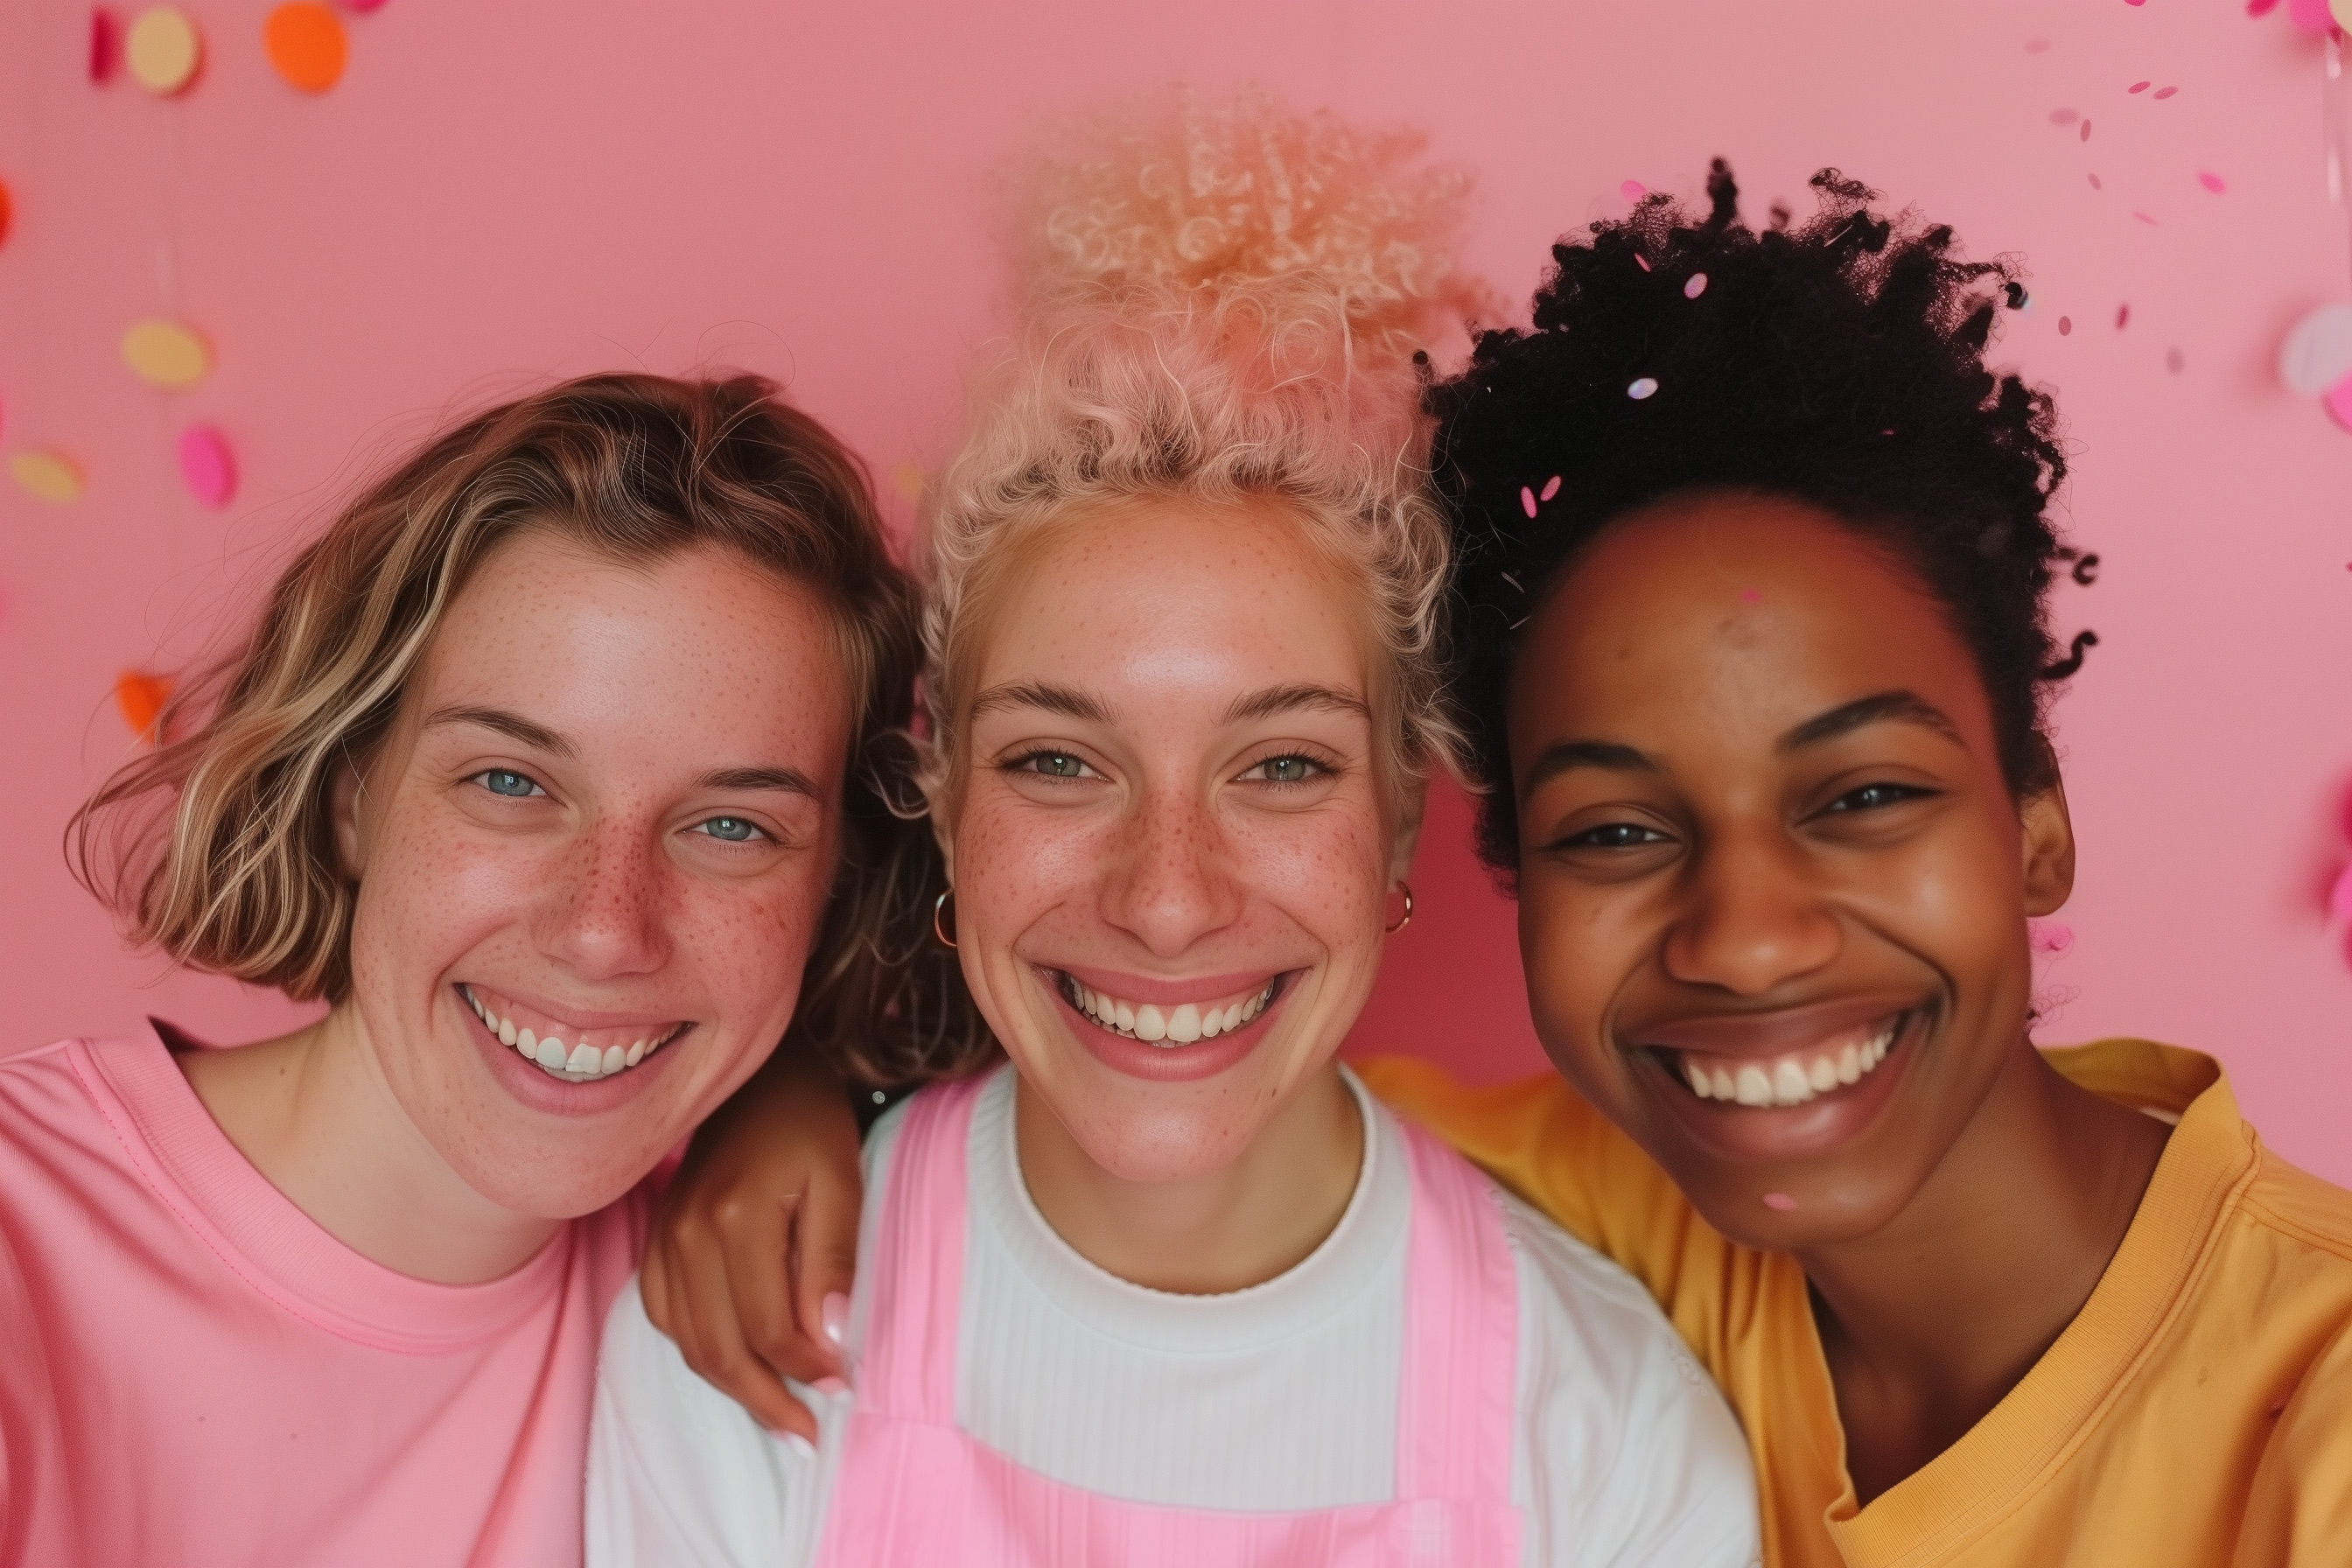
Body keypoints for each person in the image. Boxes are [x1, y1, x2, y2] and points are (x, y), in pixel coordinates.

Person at [652, 164, 2352, 1564]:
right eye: (1618, 829)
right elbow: (1179, 1083)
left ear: (2038, 815)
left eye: (1861, 796)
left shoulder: (2315, 1421)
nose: (1749, 943)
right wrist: (775, 1087)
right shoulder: (1623, 1177)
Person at [585, 94, 1758, 1568]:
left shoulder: (1616, 1447)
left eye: (1281, 766)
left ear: (1401, 815)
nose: (1168, 900)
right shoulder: (736, 1340)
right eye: (1060, 761)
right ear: (938, 796)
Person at [0, 372, 967, 1566]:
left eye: (731, 827)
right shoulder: (26, 1237)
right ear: (351, 797)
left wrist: (807, 1087)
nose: (605, 930)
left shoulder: (758, 1314)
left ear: (831, 887)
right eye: (511, 783)